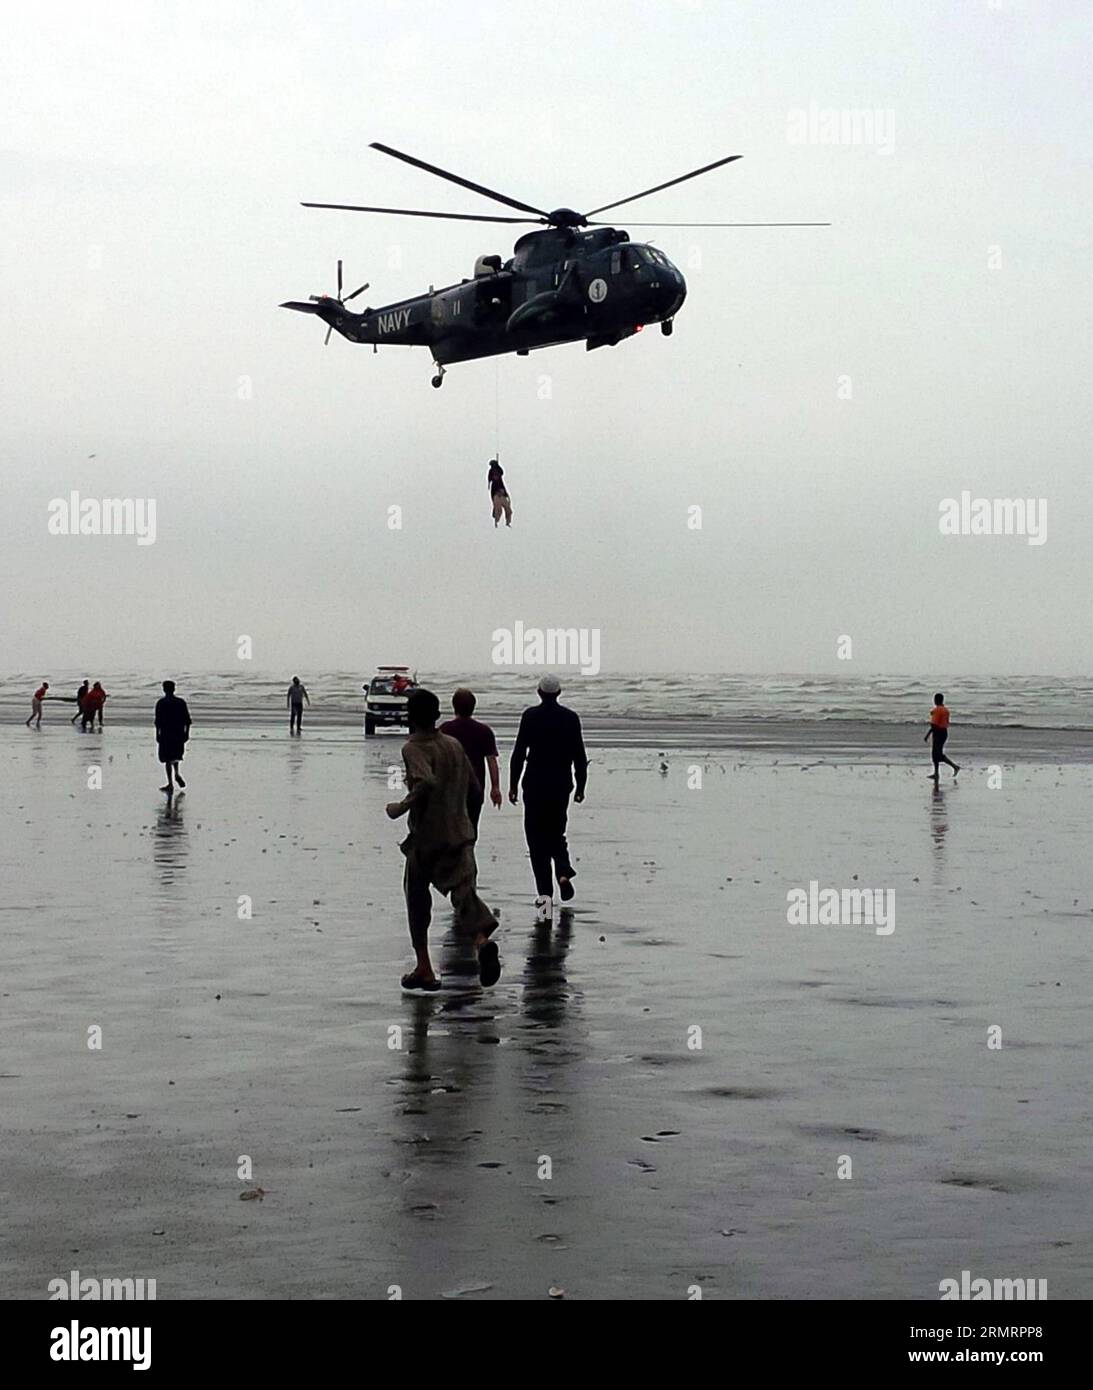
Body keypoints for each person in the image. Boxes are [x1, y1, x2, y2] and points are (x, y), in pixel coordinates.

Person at [386, 688, 500, 992]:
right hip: (460, 831)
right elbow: (475, 789)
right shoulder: (453, 745)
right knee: (462, 891)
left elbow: (425, 781)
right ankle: (481, 939)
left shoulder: (413, 749)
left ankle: (424, 966)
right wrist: (464, 820)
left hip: (428, 836)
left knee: (416, 894)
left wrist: (400, 807)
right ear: (436, 716)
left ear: (410, 718)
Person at [509, 674, 588, 922]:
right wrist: (580, 787)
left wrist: (512, 784)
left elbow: (519, 752)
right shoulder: (571, 718)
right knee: (556, 833)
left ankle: (545, 903)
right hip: (560, 783)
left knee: (536, 842)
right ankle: (563, 871)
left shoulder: (530, 716)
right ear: (559, 693)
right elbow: (579, 755)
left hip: (534, 784)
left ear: (539, 693)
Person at [440, 687, 502, 830]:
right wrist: (495, 788)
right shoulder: (484, 730)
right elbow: (491, 761)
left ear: (454, 706)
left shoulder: (446, 729)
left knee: (450, 829)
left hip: (450, 787)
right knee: (471, 827)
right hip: (476, 787)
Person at [155, 680, 191, 794]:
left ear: (164, 689)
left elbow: (158, 721)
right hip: (178, 732)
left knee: (167, 759)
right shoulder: (180, 702)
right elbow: (187, 720)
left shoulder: (161, 703)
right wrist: (187, 733)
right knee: (175, 756)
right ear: (174, 689)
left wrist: (157, 734)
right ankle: (177, 773)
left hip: (166, 732)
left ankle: (170, 783)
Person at [924, 691, 959, 780]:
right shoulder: (946, 710)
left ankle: (954, 766)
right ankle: (936, 773)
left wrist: (928, 735)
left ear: (935, 700)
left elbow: (934, 724)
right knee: (936, 754)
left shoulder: (936, 710)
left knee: (937, 754)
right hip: (944, 732)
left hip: (938, 732)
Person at [488, 459, 512, 528]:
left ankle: (508, 522)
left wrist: (498, 466)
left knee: (508, 509)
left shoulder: (500, 478)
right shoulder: (491, 474)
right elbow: (489, 478)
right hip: (496, 494)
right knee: (498, 509)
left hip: (502, 494)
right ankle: (496, 521)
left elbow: (502, 472)